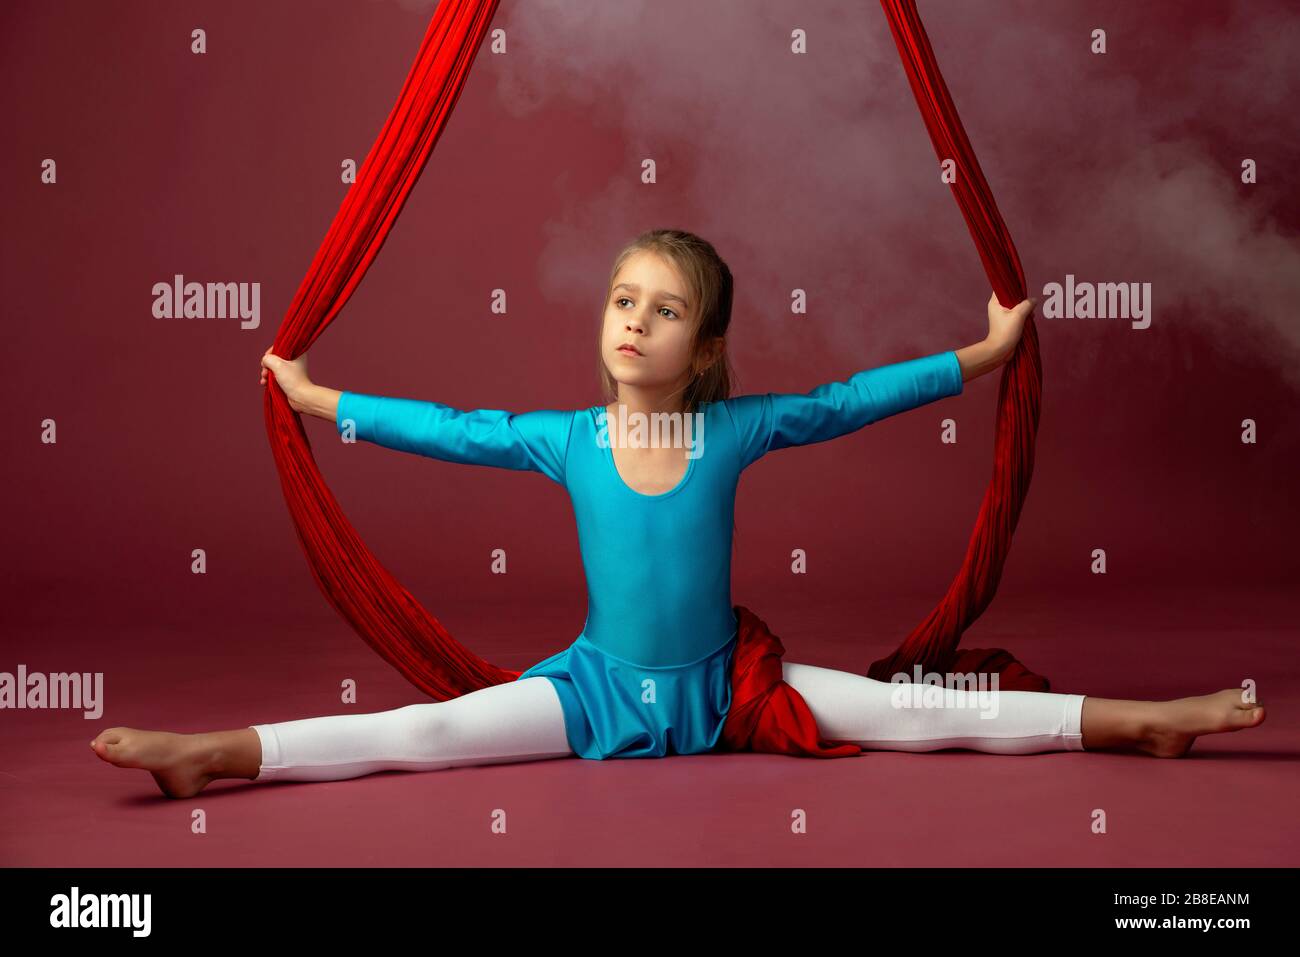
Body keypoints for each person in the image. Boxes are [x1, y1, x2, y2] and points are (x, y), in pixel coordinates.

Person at [91, 229, 1265, 798]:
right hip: (598, 688)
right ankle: (219, 754)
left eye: (664, 310)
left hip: (732, 687)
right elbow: (447, 427)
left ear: (704, 346)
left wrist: (983, 354)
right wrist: (317, 399)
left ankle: (1140, 721)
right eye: (621, 299)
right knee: (427, 736)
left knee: (919, 713)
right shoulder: (565, 439)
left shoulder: (736, 427)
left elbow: (848, 400)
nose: (634, 322)